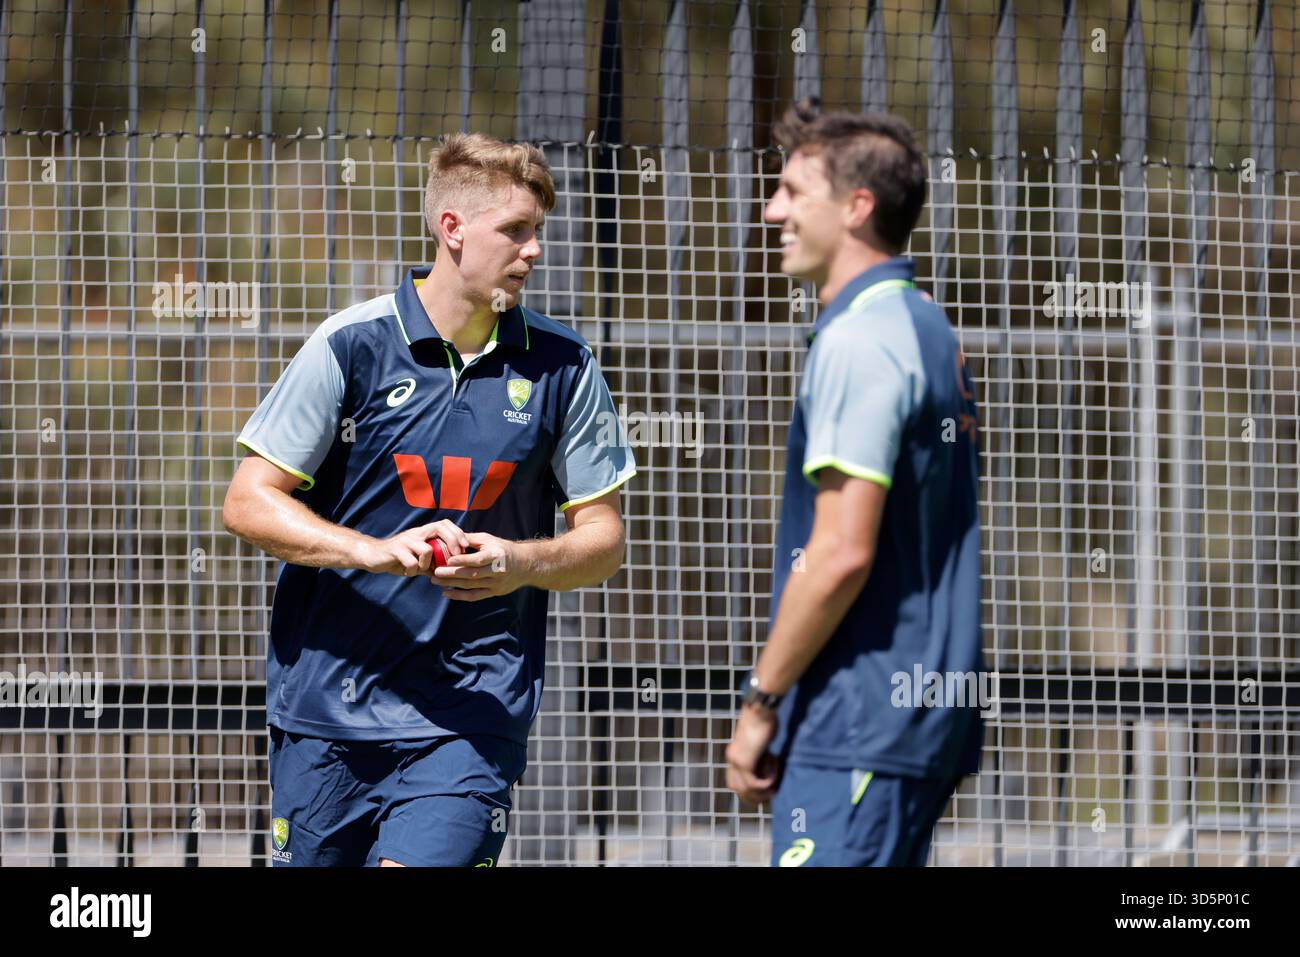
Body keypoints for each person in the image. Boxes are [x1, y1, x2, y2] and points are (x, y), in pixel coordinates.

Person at [223, 132, 636, 867]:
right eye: (515, 230)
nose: (534, 250)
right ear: (452, 230)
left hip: (468, 716)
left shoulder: (563, 364)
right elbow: (249, 500)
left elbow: (604, 538)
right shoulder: (348, 346)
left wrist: (521, 560)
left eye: (537, 231)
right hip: (326, 710)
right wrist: (373, 552)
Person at [725, 98, 985, 867]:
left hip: (856, 717)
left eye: (794, 192)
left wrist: (761, 700)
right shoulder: (925, 324)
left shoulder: (860, 341)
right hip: (913, 714)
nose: (772, 210)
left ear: (857, 206)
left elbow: (840, 552)